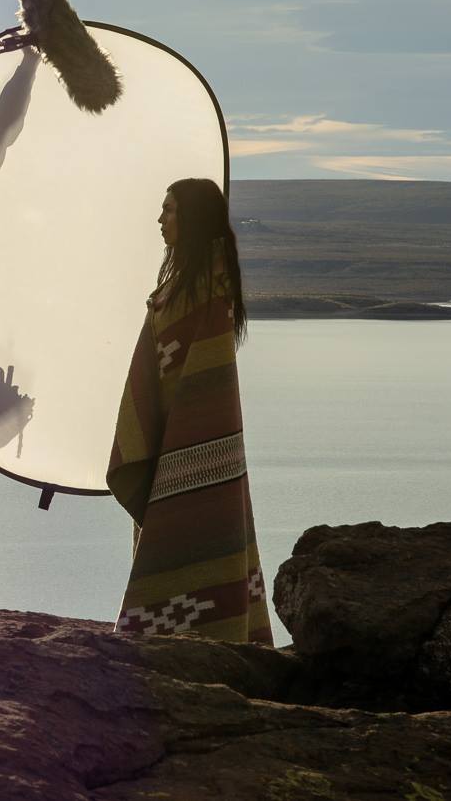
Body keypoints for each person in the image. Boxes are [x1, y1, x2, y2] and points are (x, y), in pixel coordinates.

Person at [107, 177, 272, 644]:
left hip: (199, 442)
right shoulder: (184, 285)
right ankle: (182, 629)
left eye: (170, 210)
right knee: (170, 532)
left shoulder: (209, 292)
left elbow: (208, 382)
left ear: (193, 218)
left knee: (190, 527)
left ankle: (193, 631)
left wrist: (187, 433)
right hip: (173, 438)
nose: (160, 220)